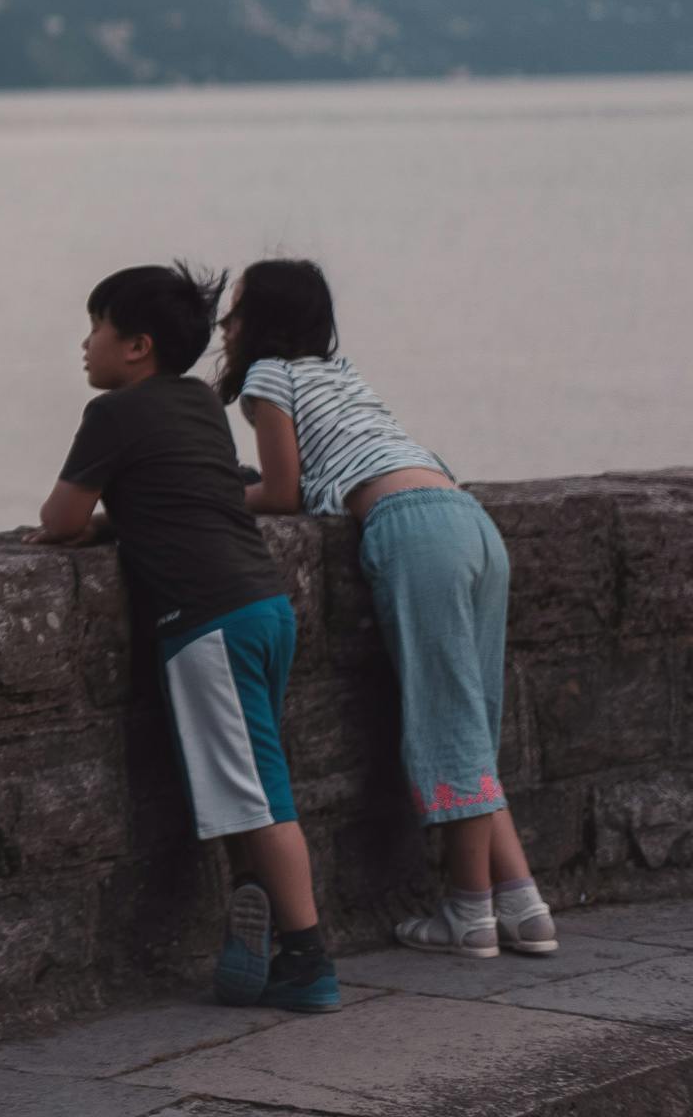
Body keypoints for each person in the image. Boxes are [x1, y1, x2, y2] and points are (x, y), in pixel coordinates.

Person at [222, 257, 556, 959]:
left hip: (409, 525)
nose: (226, 322)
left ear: (264, 322)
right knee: (473, 712)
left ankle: (469, 912)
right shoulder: (341, 374)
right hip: (468, 519)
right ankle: (523, 905)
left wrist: (213, 494)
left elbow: (281, 493)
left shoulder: (268, 376)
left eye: (237, 309)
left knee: (446, 715)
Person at [28, 262, 340, 1012]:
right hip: (262, 603)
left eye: (96, 327)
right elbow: (191, 491)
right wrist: (126, 521)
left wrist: (99, 525)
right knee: (251, 783)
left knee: (261, 795)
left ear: (135, 346)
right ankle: (256, 905)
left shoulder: (111, 417)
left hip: (206, 619)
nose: (84, 343)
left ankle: (307, 960)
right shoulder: (201, 401)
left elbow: (59, 522)